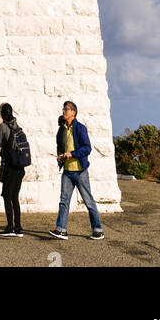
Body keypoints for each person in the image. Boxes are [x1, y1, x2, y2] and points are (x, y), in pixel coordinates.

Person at [49, 100, 104, 240]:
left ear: (73, 112)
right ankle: (61, 230)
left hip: (80, 171)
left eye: (66, 109)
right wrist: (61, 156)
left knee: (88, 201)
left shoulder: (80, 128)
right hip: (67, 171)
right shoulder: (61, 129)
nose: (63, 111)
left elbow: (87, 148)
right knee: (64, 201)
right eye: (63, 109)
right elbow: (60, 146)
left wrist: (72, 154)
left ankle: (98, 230)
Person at [0, 102, 25, 237]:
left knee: (7, 196)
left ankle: (10, 227)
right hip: (20, 167)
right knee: (15, 198)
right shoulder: (17, 126)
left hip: (9, 167)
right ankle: (18, 227)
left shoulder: (3, 126)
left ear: (2, 113)